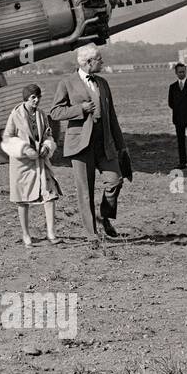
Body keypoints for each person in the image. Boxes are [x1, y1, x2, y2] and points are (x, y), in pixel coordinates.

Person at [48, 44, 128, 245]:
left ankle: (104, 216)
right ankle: (91, 234)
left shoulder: (103, 83)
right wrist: (79, 109)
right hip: (80, 145)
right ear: (89, 62)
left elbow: (112, 116)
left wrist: (121, 144)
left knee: (115, 180)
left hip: (105, 144)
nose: (102, 62)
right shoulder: (66, 83)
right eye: (100, 59)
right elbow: (55, 112)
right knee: (85, 191)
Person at [1, 85, 63, 247]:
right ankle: (26, 234)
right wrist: (24, 149)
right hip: (22, 165)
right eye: (33, 97)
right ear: (26, 99)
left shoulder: (42, 115)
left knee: (50, 194)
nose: (36, 100)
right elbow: (7, 137)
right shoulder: (15, 115)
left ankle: (51, 232)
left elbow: (48, 134)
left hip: (41, 161)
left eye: (38, 97)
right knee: (22, 199)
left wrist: (47, 146)